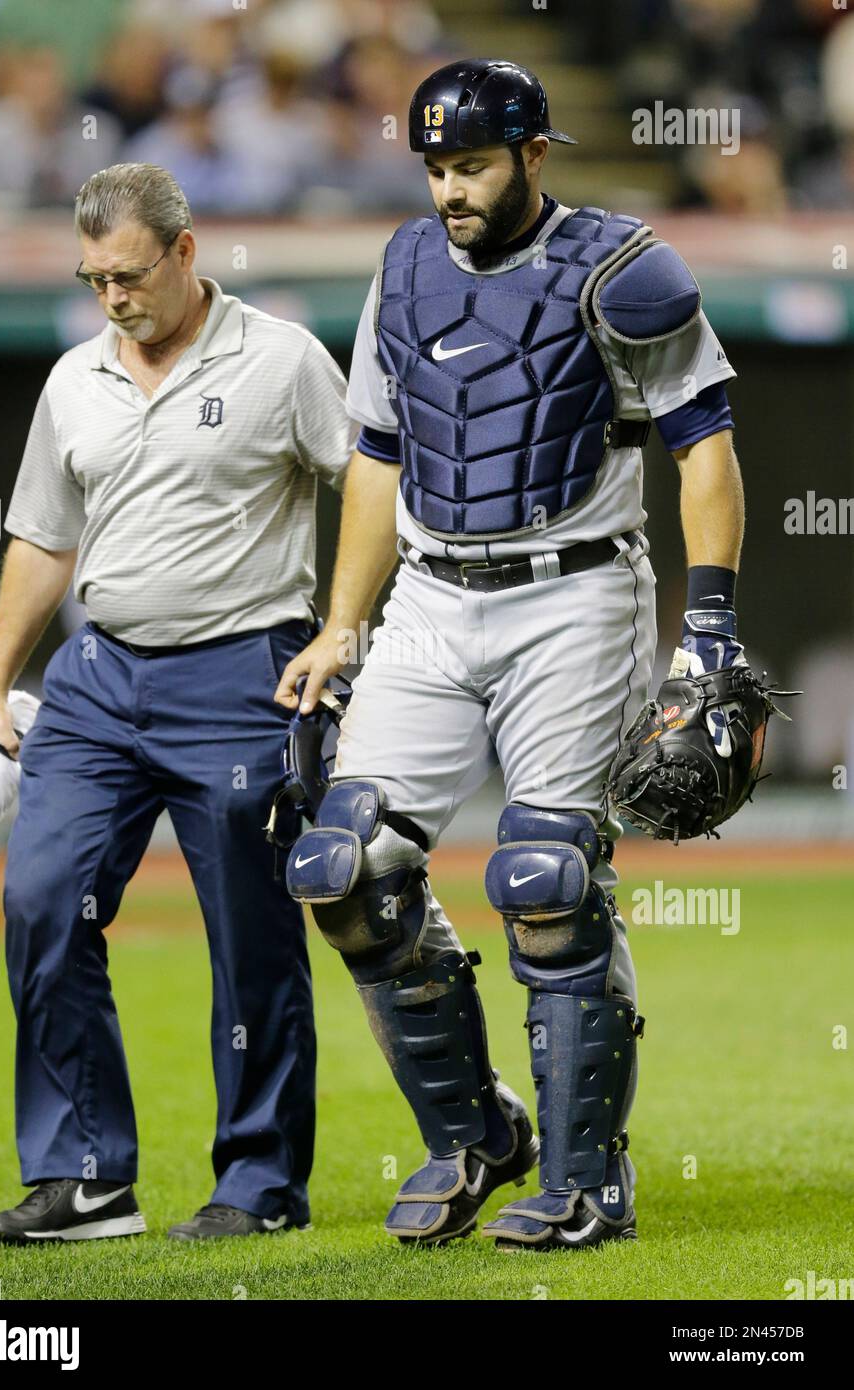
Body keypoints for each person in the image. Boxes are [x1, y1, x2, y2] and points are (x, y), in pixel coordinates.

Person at [276, 60, 743, 1249]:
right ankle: (474, 1133)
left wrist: (707, 627)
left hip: (573, 594)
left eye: (472, 165)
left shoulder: (620, 265)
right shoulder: (400, 267)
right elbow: (375, 457)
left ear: (534, 153)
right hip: (429, 597)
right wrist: (341, 623)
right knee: (341, 868)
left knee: (545, 878)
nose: (449, 189)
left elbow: (702, 445)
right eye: (435, 167)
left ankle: (587, 1179)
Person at [0, 161, 355, 1243]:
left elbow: (376, 484)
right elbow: (43, 538)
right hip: (96, 679)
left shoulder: (282, 359)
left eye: (129, 275)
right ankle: (84, 1178)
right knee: (43, 899)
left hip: (242, 673)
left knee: (250, 937)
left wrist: (344, 628)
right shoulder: (73, 376)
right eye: (94, 279)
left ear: (185, 251)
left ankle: (259, 1184)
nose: (113, 298)